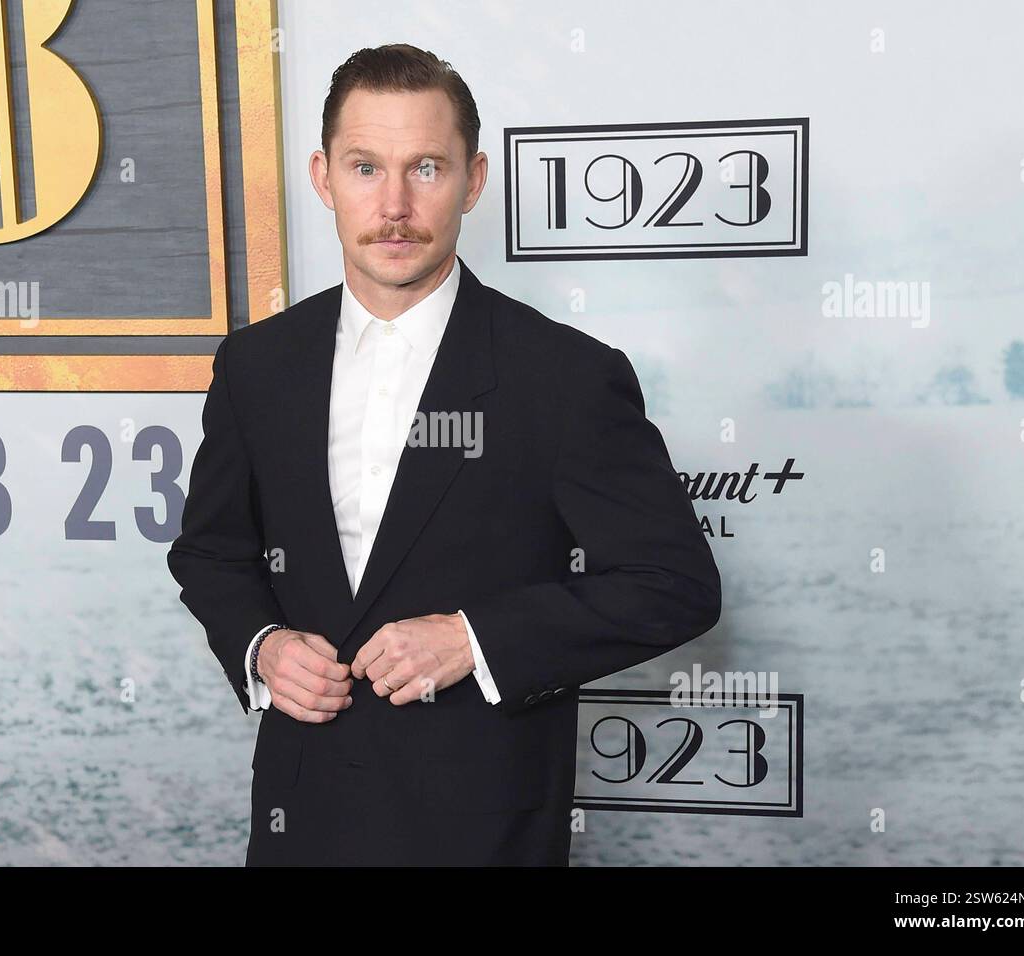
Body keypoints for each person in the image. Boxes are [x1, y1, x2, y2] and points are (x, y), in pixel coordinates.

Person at [167, 43, 721, 866]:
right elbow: (211, 553)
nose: (394, 204)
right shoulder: (254, 365)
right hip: (300, 819)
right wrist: (262, 647)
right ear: (322, 178)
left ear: (475, 179)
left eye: (425, 168)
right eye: (365, 168)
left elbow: (673, 587)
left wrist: (475, 638)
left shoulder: (567, 377)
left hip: (484, 828)